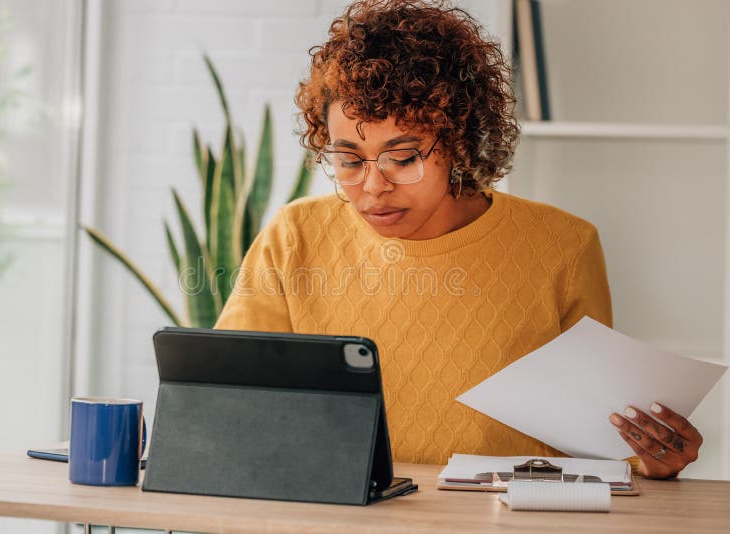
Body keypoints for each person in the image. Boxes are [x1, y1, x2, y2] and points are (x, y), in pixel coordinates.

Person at [215, 0, 702, 479]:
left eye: (403, 158)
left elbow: (599, 435)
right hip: (339, 514)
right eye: (348, 159)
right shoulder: (294, 236)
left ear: (457, 141)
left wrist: (650, 456)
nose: (373, 186)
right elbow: (223, 399)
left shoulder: (563, 246)